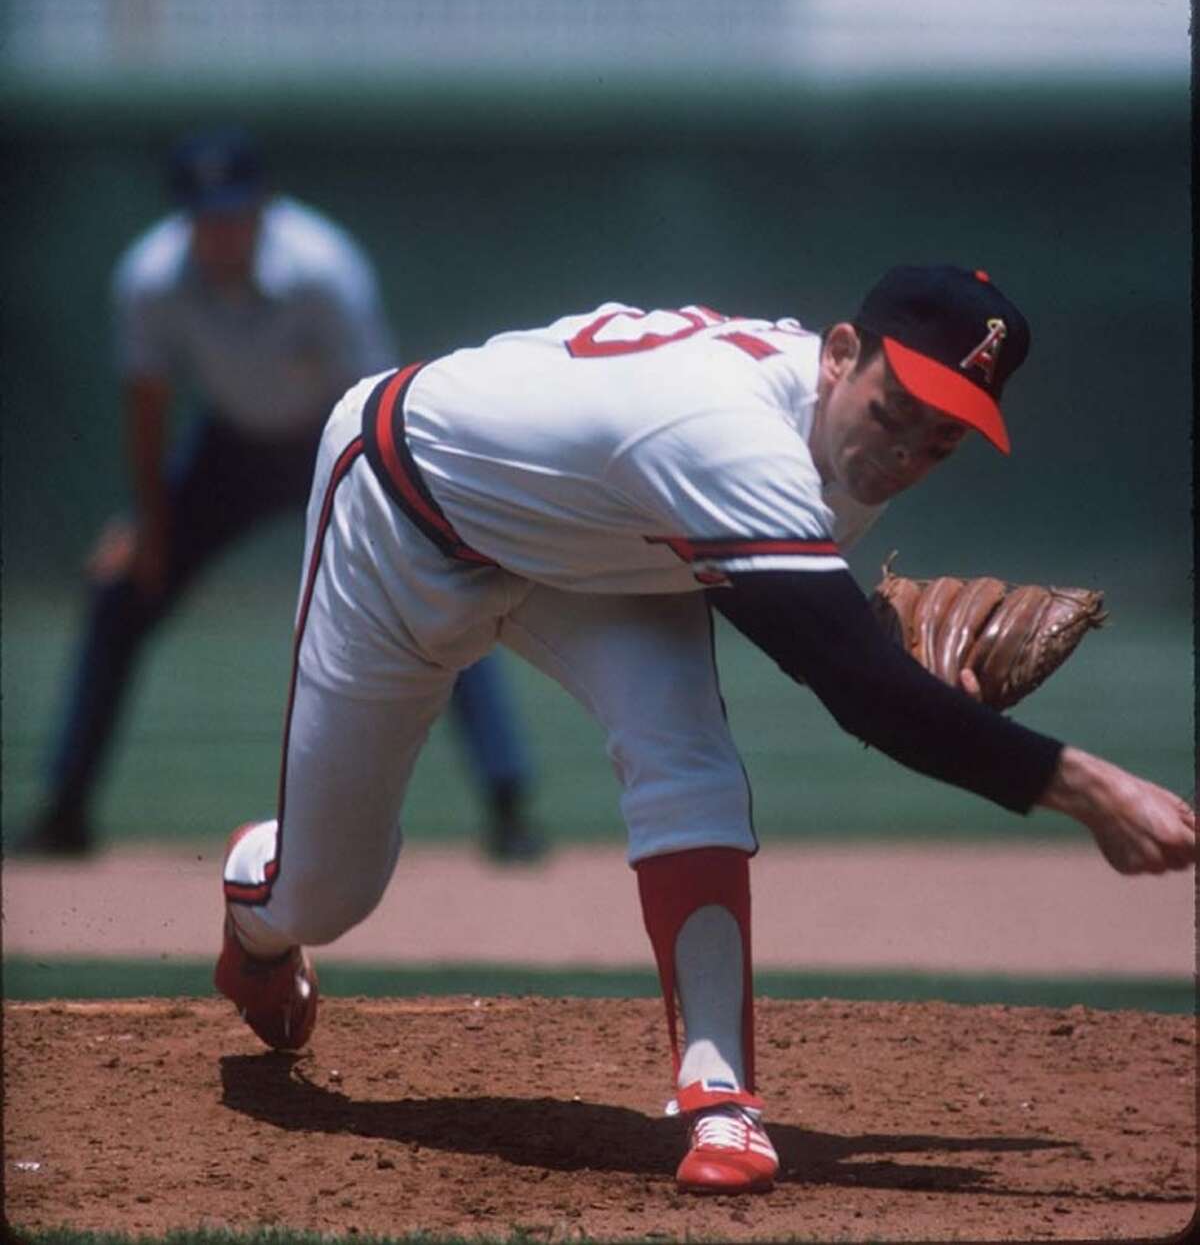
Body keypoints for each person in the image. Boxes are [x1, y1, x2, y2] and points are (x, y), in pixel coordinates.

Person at [212, 268, 1195, 1195]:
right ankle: (258, 898)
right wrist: (1093, 790)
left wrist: (886, 662)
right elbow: (855, 688)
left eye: (942, 439)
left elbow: (814, 630)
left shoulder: (841, 448)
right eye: (896, 409)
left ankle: (721, 1100)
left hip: (602, 551)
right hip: (407, 514)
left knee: (690, 759)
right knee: (329, 893)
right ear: (839, 353)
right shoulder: (723, 427)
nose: (905, 451)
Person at [17, 127, 544, 865]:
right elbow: (148, 407)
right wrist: (148, 525)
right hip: (227, 447)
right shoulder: (150, 279)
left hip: (332, 439)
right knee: (120, 592)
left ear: (263, 206)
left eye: (234, 213)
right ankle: (66, 810)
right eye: (205, 217)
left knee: (433, 590)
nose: (221, 233)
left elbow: (374, 401)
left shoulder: (323, 270)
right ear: (183, 217)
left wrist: (407, 526)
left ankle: (508, 804)